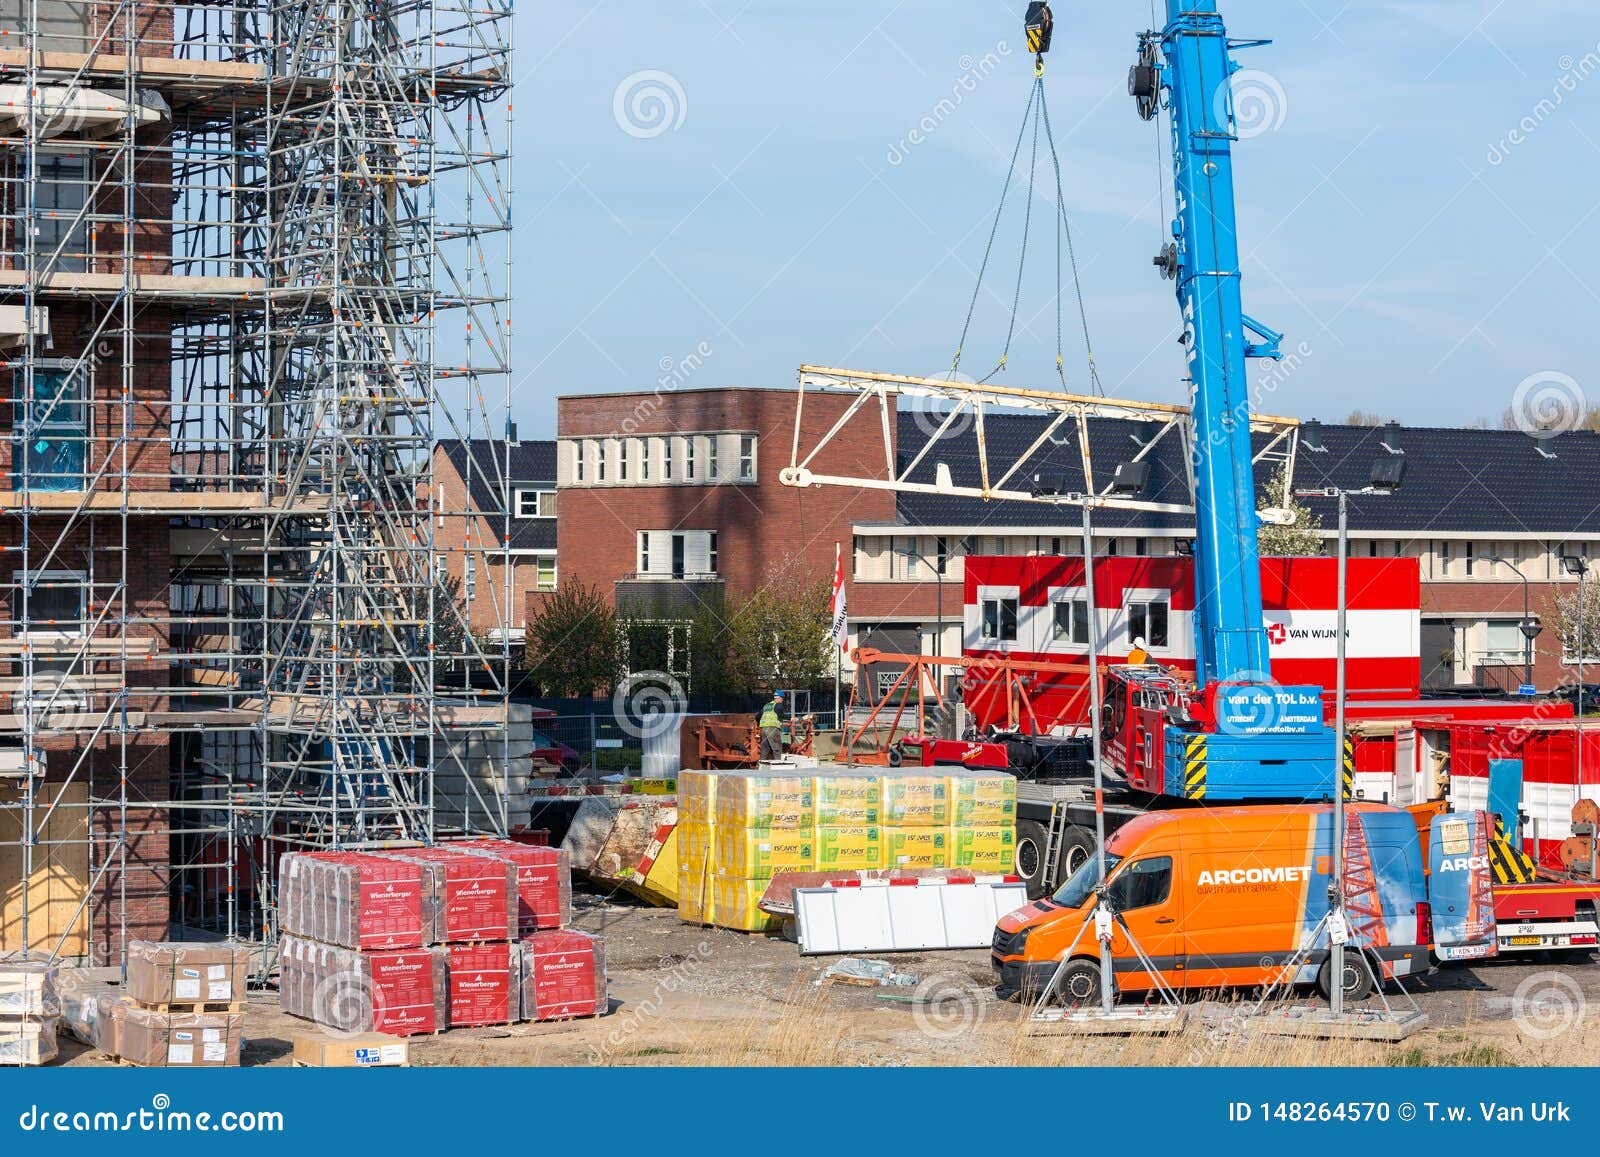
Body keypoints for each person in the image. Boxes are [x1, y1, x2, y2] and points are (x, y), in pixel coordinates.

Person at [759, 691, 788, 762]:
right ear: (780, 698)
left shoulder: (767, 705)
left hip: (763, 729)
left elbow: (758, 716)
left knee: (764, 750)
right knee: (777, 749)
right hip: (772, 729)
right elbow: (780, 714)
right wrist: (790, 718)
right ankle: (778, 766)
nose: (782, 700)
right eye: (782, 699)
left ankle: (761, 768)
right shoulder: (778, 704)